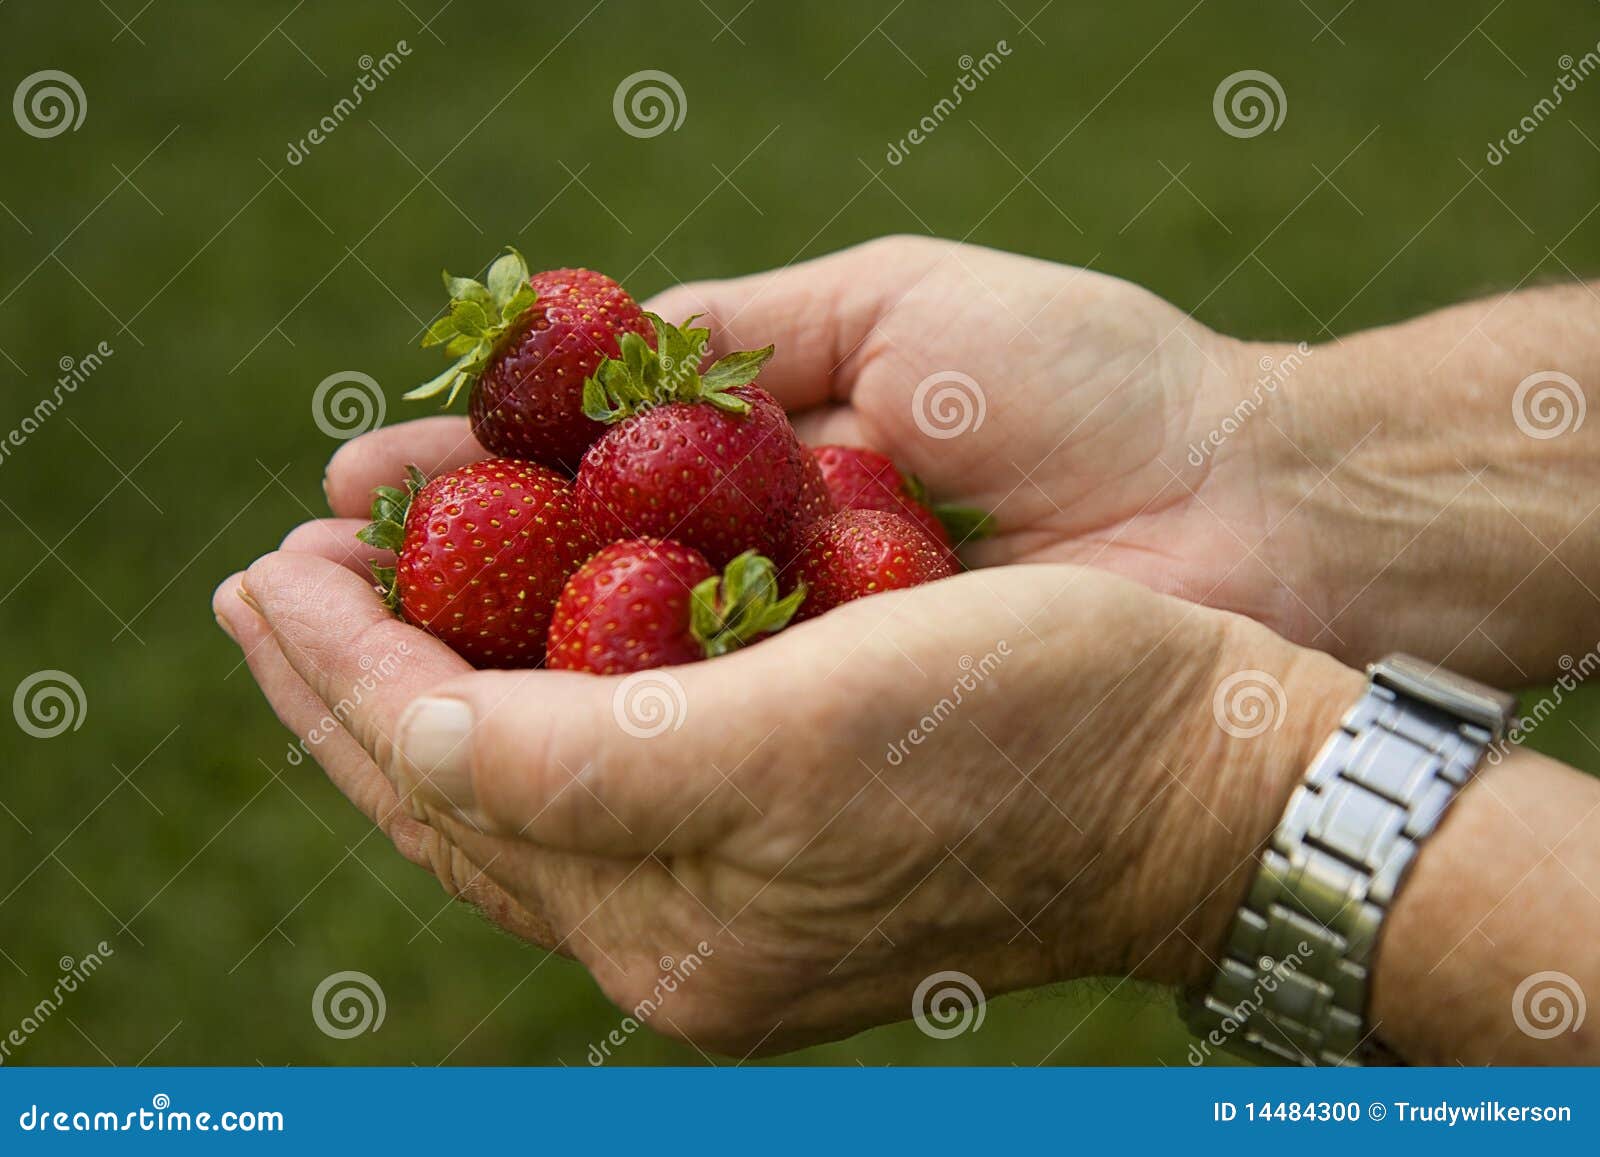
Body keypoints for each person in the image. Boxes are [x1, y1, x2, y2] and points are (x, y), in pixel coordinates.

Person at [213, 236, 1600, 1065]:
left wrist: (1191, 804)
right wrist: (1272, 458)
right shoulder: (700, 482)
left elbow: (1185, 786)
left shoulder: (740, 493)